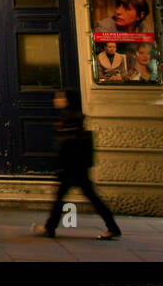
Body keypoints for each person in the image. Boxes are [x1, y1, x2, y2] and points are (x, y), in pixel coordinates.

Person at [39, 90, 121, 240]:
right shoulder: (72, 116)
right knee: (82, 197)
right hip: (77, 166)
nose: (56, 99)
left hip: (72, 166)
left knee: (64, 197)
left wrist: (60, 165)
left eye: (60, 97)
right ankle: (50, 227)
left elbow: (68, 145)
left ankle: (50, 227)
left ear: (68, 100)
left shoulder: (70, 118)